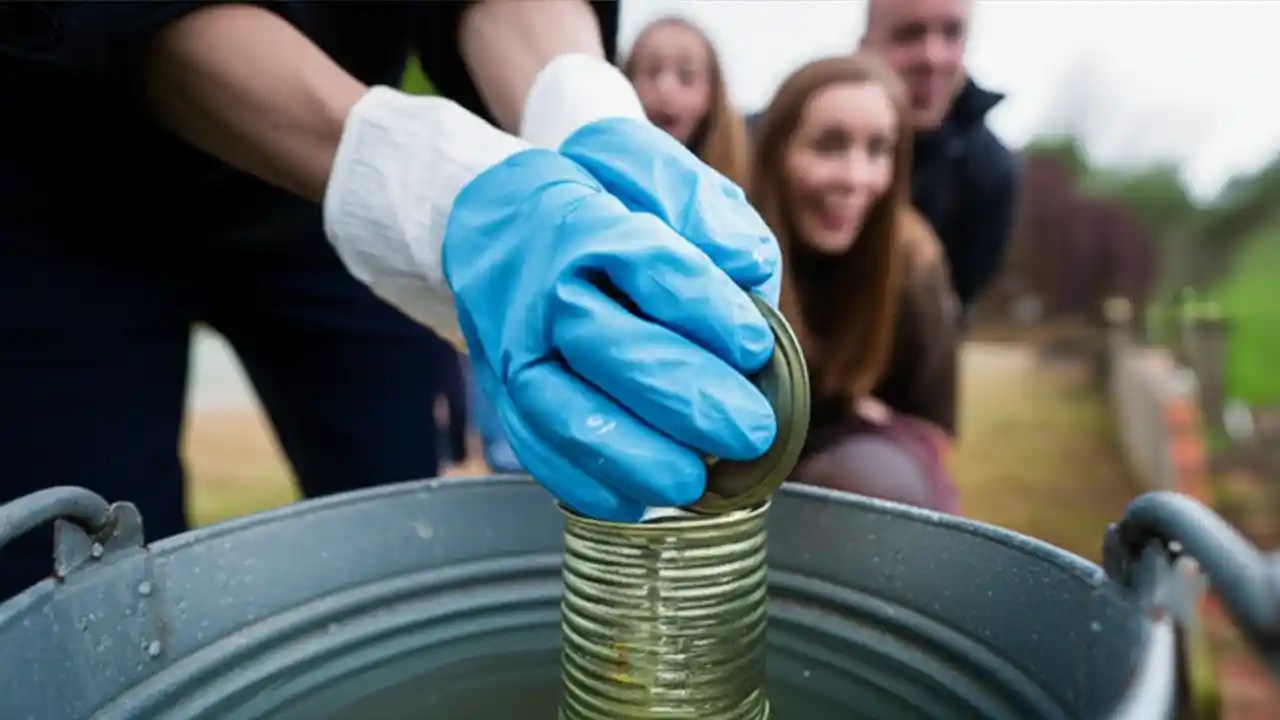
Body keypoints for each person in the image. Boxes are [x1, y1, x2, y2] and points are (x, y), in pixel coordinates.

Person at [0, 2, 780, 599]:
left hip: (320, 212)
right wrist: (428, 183)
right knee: (77, 579)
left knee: (399, 521)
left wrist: (580, 106)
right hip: (66, 191)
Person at [750, 54, 961, 513]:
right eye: (829, 145)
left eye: (879, 149)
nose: (855, 177)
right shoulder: (725, 253)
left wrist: (882, 432)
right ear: (777, 151)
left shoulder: (913, 260)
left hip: (852, 480)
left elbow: (934, 428)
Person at [860, 0, 1019, 318]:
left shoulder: (989, 172)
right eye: (908, 34)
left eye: (953, 32)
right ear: (865, 47)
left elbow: (953, 311)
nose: (933, 57)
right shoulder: (774, 138)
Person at [622, 16, 752, 188]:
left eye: (686, 75)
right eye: (651, 71)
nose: (665, 88)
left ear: (712, 97)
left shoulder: (738, 196)